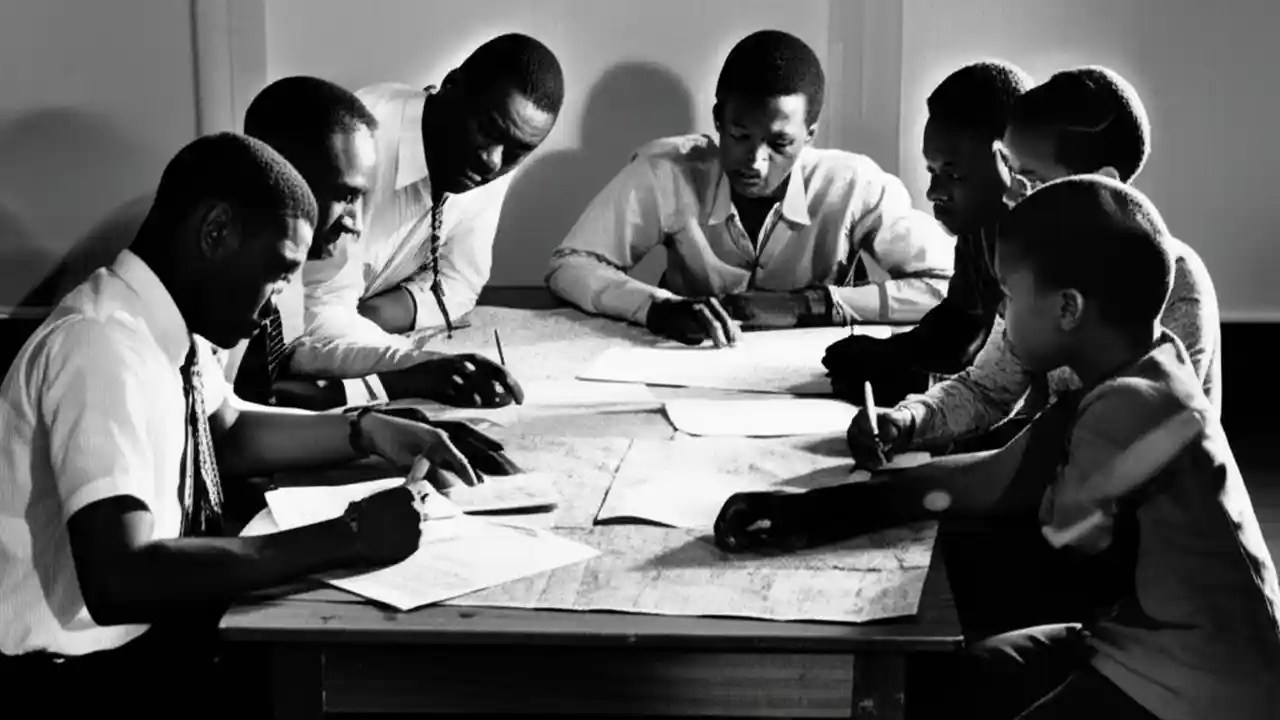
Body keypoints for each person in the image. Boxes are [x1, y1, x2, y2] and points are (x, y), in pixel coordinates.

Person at [714, 176, 1280, 719]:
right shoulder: (1144, 369)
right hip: (1137, 640)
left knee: (942, 643)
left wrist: (881, 525)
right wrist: (814, 509)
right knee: (959, 679)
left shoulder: (1133, 407)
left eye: (1009, 296)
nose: (1002, 316)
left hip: (1193, 686)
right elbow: (991, 477)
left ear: (1067, 309)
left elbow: (1055, 545)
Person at [0, 133, 480, 715]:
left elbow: (224, 429)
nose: (277, 301)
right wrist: (348, 536)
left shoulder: (165, 323)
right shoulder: (100, 348)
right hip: (72, 678)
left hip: (141, 643)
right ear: (215, 232)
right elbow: (119, 579)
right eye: (277, 272)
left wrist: (367, 429)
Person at [848, 66, 1222, 465]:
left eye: (1029, 179)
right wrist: (907, 422)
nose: (1010, 195)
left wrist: (994, 466)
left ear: (1101, 181)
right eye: (1009, 171)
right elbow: (988, 389)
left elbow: (1139, 443)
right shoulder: (1036, 267)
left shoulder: (1173, 282)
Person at [545, 30, 954, 348]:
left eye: (780, 144)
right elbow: (569, 265)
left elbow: (947, 286)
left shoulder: (854, 186)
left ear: (809, 134)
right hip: (680, 371)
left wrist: (811, 305)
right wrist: (654, 307)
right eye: (740, 135)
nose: (754, 161)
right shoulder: (668, 171)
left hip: (811, 383)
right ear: (718, 120)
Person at [233, 75, 524, 414]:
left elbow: (300, 357)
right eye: (346, 197)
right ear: (287, 176)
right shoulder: (232, 292)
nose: (356, 223)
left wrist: (421, 371)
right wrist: (399, 385)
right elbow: (252, 410)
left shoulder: (281, 278)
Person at [291, 33, 563, 385]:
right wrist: (420, 365)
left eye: (517, 152)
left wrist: (363, 317)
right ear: (451, 86)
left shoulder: (491, 159)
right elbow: (312, 316)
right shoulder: (359, 142)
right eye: (488, 129)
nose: (492, 162)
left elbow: (461, 281)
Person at [823, 60, 1032, 405]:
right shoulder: (978, 229)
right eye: (932, 170)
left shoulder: (1043, 250)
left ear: (1008, 165)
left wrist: (920, 383)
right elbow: (959, 325)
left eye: (954, 174)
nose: (934, 191)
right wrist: (886, 351)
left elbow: (1021, 386)